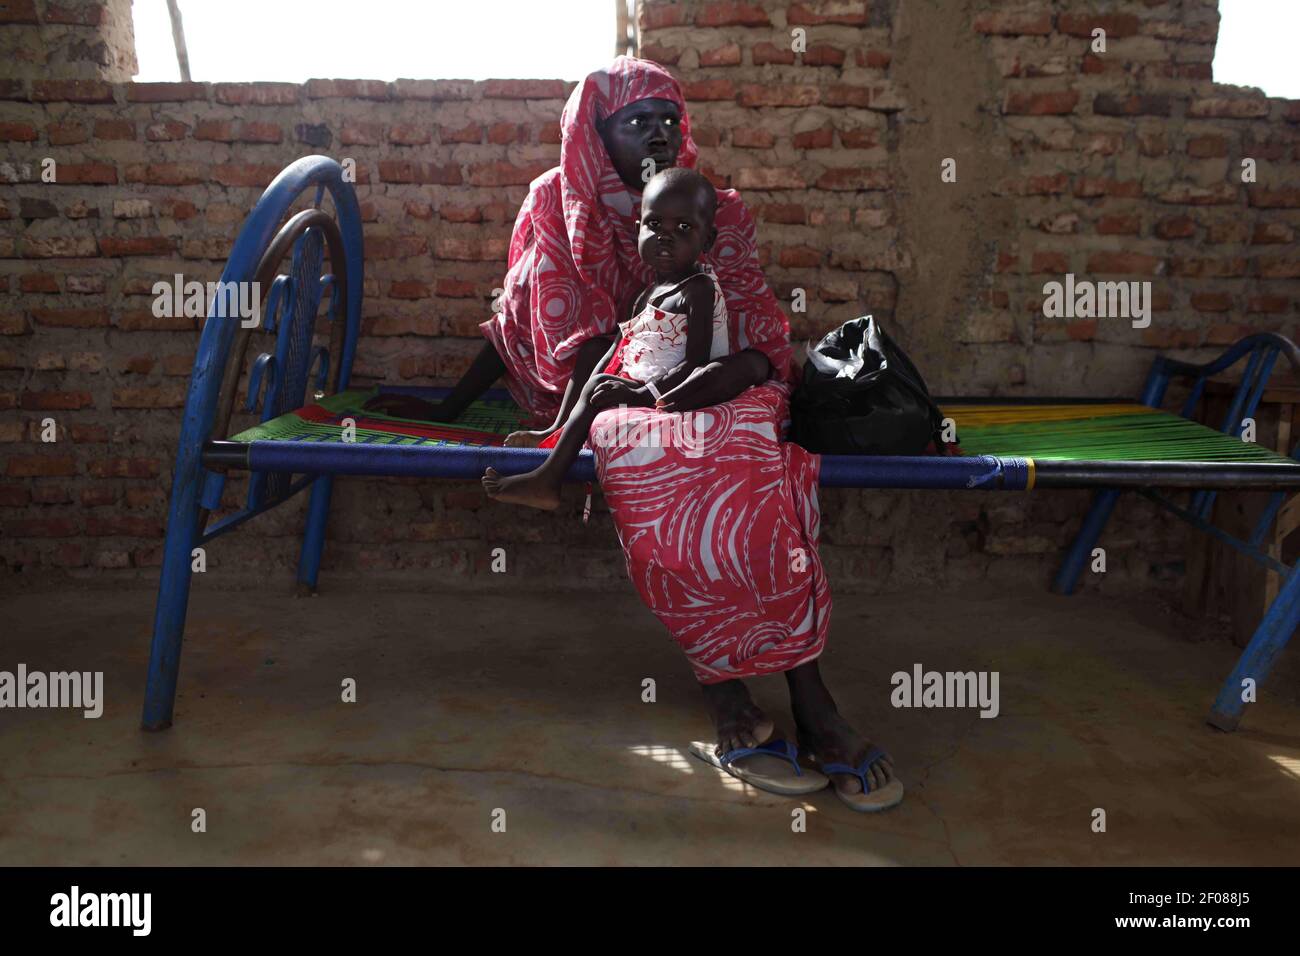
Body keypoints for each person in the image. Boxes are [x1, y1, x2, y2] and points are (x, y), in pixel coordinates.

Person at [376, 56, 903, 810]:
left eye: (668, 120)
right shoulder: (560, 201)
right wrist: (595, 411)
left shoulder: (709, 202)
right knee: (665, 469)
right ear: (596, 131)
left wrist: (754, 372)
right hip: (604, 389)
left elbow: (749, 318)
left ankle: (809, 695)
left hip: (708, 382)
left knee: (756, 455)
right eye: (635, 121)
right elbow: (568, 331)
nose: (656, 133)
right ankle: (729, 696)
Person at [482, 167, 730, 509]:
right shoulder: (648, 293)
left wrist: (640, 393)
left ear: (708, 240)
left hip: (673, 392)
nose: (665, 237)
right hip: (645, 374)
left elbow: (696, 362)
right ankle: (556, 429)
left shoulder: (697, 290)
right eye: (655, 225)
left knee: (600, 391)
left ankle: (547, 480)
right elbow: (620, 346)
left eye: (683, 228)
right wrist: (605, 370)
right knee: (593, 350)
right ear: (637, 230)